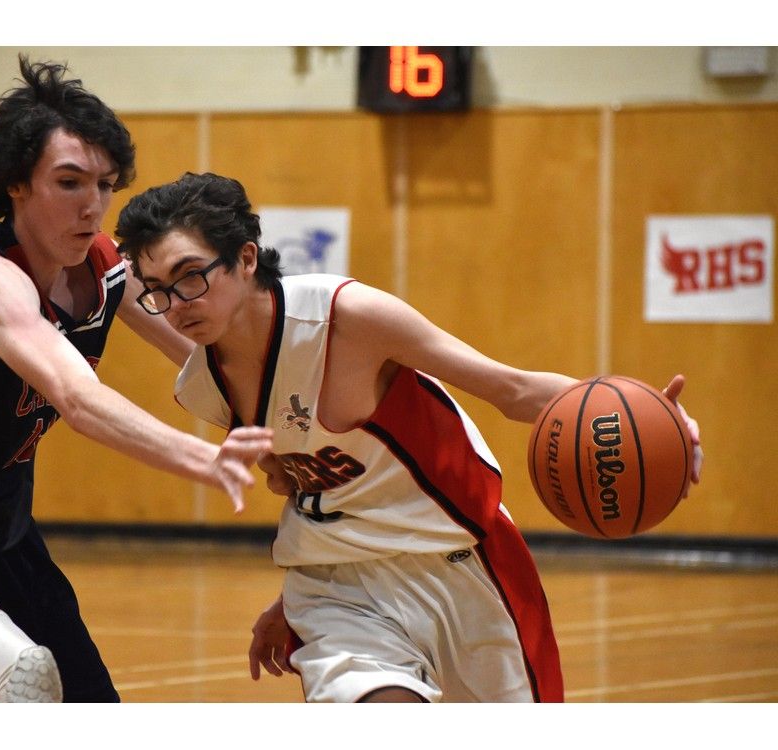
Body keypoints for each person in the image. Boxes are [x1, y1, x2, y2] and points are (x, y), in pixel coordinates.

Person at [114, 171, 704, 703]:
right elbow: (314, 488)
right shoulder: (206, 380)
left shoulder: (348, 319)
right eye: (157, 288)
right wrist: (295, 600)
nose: (175, 304)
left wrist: (660, 424)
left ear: (245, 258)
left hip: (461, 566)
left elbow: (513, 389)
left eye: (189, 277)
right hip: (338, 591)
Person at [0, 60, 272, 703]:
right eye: (68, 182)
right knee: (19, 668)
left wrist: (288, 424)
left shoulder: (105, 268)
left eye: (105, 185)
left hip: (2, 536)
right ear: (16, 185)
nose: (92, 205)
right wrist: (208, 459)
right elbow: (78, 400)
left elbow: (210, 360)